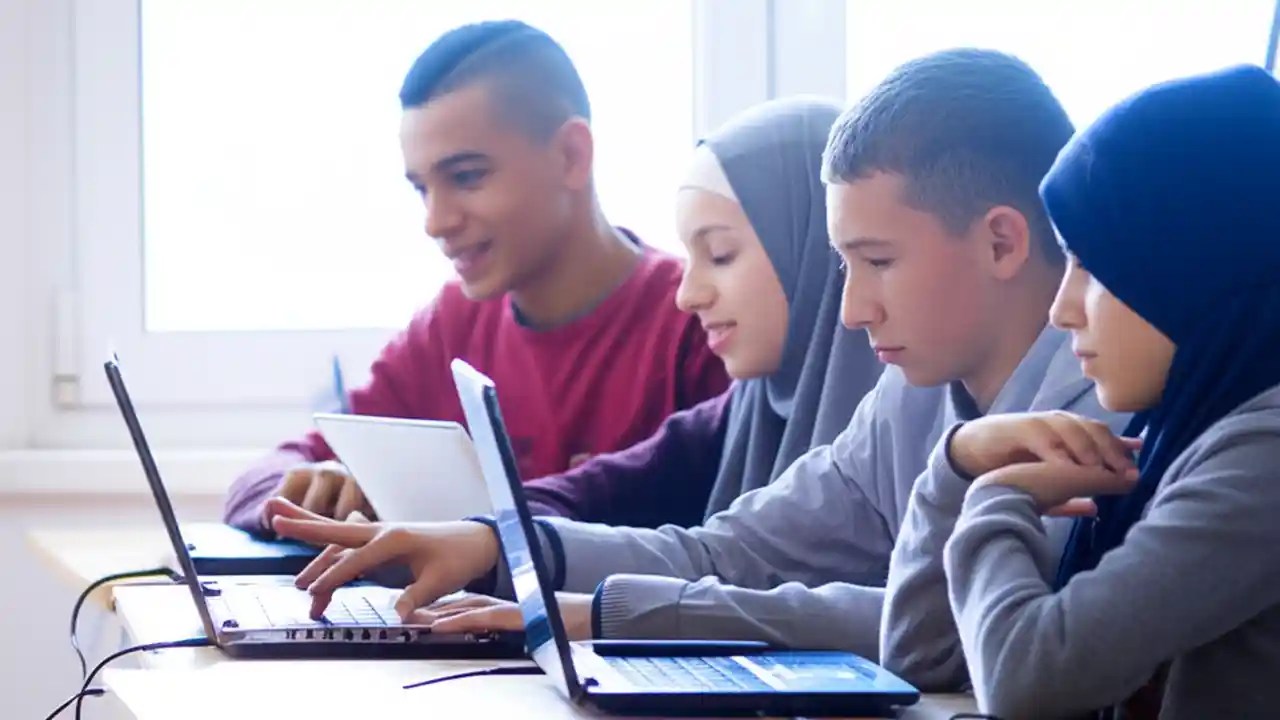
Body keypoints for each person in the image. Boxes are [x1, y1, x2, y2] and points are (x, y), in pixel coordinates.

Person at [270, 48, 1127, 659]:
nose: (854, 310)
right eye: (842, 267)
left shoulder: (1105, 411)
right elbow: (732, 550)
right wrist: (496, 548)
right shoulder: (910, 397)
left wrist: (595, 612)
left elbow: (933, 624)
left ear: (1004, 244)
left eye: (878, 263)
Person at [882, 65, 1280, 719]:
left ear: (1187, 265)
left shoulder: (1264, 455)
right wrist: (955, 470)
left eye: (1090, 266)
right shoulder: (1175, 434)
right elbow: (918, 661)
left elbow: (1026, 681)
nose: (1064, 309)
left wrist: (994, 500)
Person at [222, 20, 727, 533]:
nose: (436, 222)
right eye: (421, 188)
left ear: (571, 156)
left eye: (466, 177)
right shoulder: (449, 327)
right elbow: (267, 477)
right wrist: (308, 487)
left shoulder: (702, 320)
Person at [514, 96, 882, 530]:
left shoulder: (910, 425)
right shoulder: (744, 409)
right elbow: (587, 492)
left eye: (720, 254)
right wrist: (485, 535)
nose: (687, 296)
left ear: (819, 250)